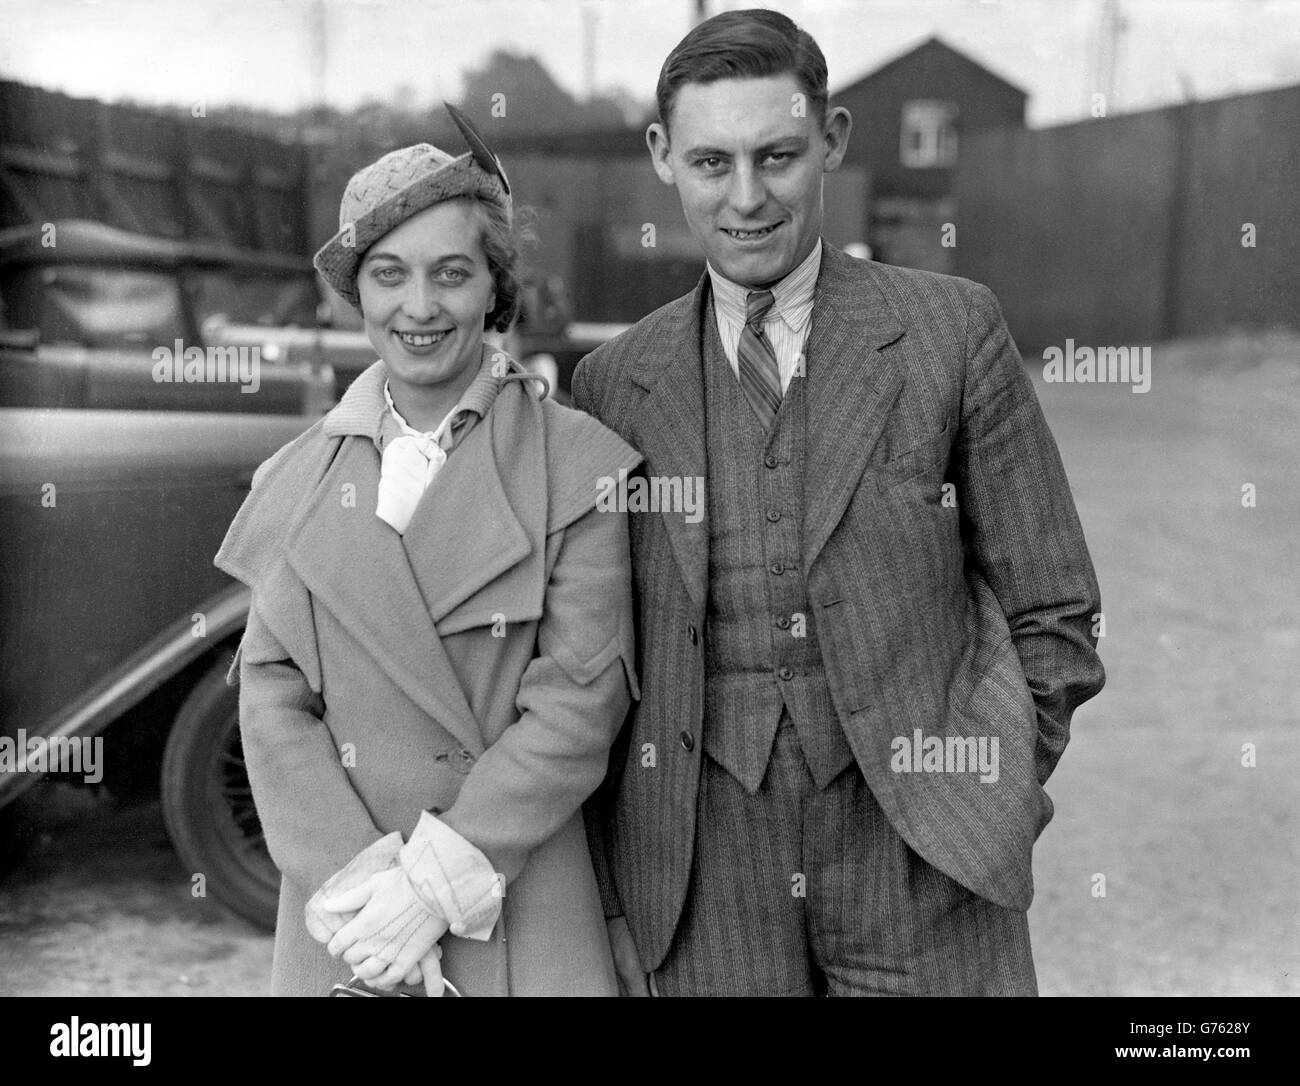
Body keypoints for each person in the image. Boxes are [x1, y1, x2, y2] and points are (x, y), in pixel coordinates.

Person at [574, 9, 1106, 996]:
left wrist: (989, 783)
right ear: (661, 155)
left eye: (776, 156)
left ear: (832, 140)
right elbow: (594, 658)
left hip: (922, 856)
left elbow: (1054, 605)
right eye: (711, 162)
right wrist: (619, 889)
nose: (746, 197)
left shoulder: (950, 331)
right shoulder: (612, 382)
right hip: (705, 879)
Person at [215, 108, 641, 996]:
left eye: (451, 273)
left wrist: (432, 889)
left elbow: (577, 708)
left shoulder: (580, 465)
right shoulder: (294, 477)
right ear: (358, 293)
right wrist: (370, 893)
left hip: (515, 900)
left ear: (493, 286)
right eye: (389, 275)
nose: (418, 307)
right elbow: (272, 702)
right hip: (352, 920)